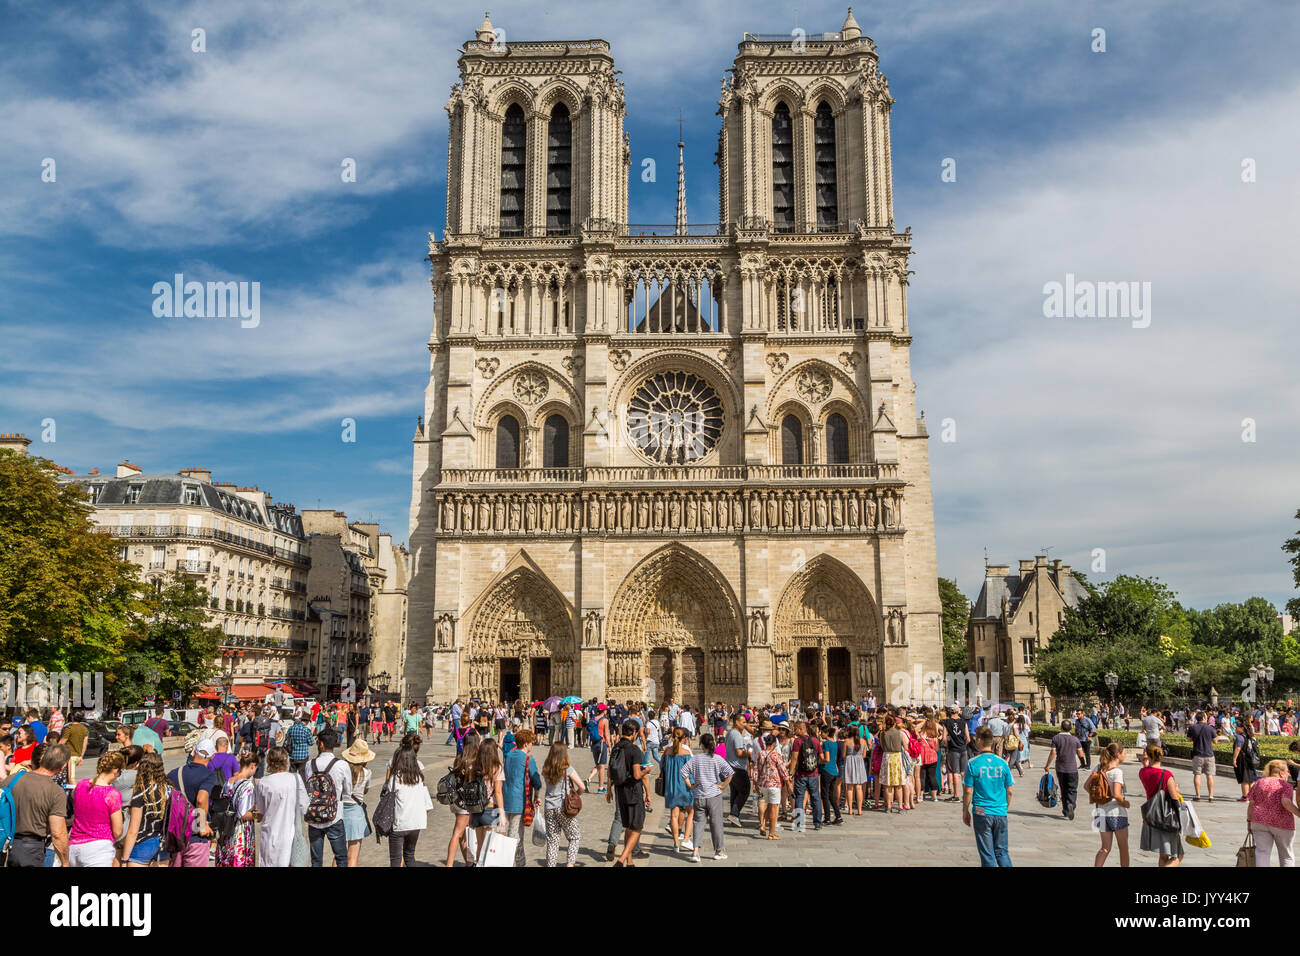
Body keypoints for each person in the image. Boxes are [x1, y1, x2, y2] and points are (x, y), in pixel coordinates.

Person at [6, 742, 70, 866]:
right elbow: (58, 834)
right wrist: (65, 862)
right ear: (62, 767)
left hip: (4, 844)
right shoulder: (55, 791)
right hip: (30, 850)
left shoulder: (12, 779)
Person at [963, 727, 1014, 867]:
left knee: (987, 854)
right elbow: (1009, 790)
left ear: (979, 740)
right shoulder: (1003, 763)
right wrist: (1004, 807)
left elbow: (968, 791)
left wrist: (965, 810)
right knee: (1002, 851)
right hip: (1000, 811)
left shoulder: (973, 763)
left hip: (981, 811)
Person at [680, 732, 733, 862]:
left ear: (702, 745)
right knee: (716, 824)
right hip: (714, 794)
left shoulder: (696, 758)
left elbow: (683, 772)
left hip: (699, 795)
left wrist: (690, 786)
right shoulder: (717, 758)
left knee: (698, 823)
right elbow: (730, 773)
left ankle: (695, 852)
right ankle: (718, 851)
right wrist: (723, 786)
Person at [302, 728, 351, 867]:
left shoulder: (309, 765)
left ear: (321, 744)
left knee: (316, 860)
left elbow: (308, 789)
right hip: (334, 816)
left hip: (313, 817)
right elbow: (348, 791)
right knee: (341, 857)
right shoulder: (342, 765)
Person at [166, 738, 218, 867]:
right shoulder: (208, 775)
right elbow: (201, 799)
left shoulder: (174, 773)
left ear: (194, 751)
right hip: (195, 836)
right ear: (212, 757)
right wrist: (202, 825)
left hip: (175, 835)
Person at [68, 750, 125, 867]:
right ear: (115, 770)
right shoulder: (112, 794)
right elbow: (118, 831)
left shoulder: (81, 785)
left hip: (74, 846)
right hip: (98, 849)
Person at [253, 747, 307, 867]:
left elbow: (260, 813)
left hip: (269, 836)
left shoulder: (262, 783)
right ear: (286, 760)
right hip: (290, 836)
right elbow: (305, 807)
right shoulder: (295, 779)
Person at [609, 719, 651, 866]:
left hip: (620, 791)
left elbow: (610, 770)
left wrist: (608, 790)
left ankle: (630, 861)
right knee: (637, 827)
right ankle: (621, 860)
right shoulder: (634, 750)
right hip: (633, 792)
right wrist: (646, 770)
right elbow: (637, 775)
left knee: (628, 826)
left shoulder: (616, 747)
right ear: (633, 733)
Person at [120, 752, 171, 867]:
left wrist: (124, 860)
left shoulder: (141, 794)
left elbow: (133, 831)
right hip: (164, 844)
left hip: (142, 845)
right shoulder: (169, 791)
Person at [502, 728, 543, 868]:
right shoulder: (528, 759)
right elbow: (537, 781)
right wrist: (537, 797)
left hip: (505, 797)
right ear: (526, 743)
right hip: (519, 800)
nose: (532, 744)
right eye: (531, 742)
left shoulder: (508, 756)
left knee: (514, 833)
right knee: (514, 834)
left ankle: (520, 862)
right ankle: (511, 862)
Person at [386, 745, 433, 866]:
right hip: (415, 824)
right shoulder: (418, 778)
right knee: (410, 856)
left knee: (396, 860)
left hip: (399, 824)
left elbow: (388, 798)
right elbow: (427, 805)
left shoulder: (395, 778)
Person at [1247, 760, 1300, 866]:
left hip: (1258, 820)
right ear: (1281, 773)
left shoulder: (1258, 782)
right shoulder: (1285, 785)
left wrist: (1249, 821)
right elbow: (1285, 802)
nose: (1289, 774)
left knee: (1262, 853)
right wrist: (1298, 813)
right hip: (1281, 823)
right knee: (1286, 854)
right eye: (1287, 772)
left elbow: (1251, 804)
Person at [1138, 745, 1184, 867]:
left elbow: (1148, 770)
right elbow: (1174, 797)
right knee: (1178, 855)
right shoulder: (1166, 774)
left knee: (1163, 855)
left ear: (1148, 756)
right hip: (1166, 819)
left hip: (1151, 817)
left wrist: (1145, 763)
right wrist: (1177, 790)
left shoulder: (1143, 772)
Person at [541, 742, 584, 867]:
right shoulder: (567, 769)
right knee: (574, 837)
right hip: (563, 807)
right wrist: (576, 796)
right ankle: (569, 864)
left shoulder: (545, 768)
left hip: (549, 807)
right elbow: (581, 786)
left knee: (552, 841)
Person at [216, 749, 259, 867]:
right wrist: (258, 815)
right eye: (256, 768)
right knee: (239, 859)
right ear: (252, 765)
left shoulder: (228, 782)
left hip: (226, 828)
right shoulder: (247, 785)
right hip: (239, 830)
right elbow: (243, 814)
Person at [1090, 742, 1131, 867]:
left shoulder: (1098, 768)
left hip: (1099, 812)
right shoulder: (1117, 772)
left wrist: (1099, 796)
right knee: (1123, 847)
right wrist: (1125, 803)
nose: (1125, 755)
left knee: (1105, 848)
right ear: (1118, 755)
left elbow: (1086, 786)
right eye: (1124, 753)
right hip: (1116, 813)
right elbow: (1117, 795)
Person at [444, 735, 480, 867]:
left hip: (457, 800)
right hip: (467, 802)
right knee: (458, 833)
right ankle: (449, 864)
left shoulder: (459, 758)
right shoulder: (475, 760)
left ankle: (468, 862)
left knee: (462, 833)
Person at [341, 739, 376, 866]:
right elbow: (365, 791)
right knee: (353, 857)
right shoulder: (367, 773)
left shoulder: (341, 770)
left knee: (339, 856)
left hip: (340, 812)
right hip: (356, 812)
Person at [470, 738, 506, 862]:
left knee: (480, 845)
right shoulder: (496, 768)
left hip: (475, 809)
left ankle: (479, 863)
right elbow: (498, 792)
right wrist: (502, 813)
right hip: (490, 808)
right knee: (491, 847)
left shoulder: (474, 767)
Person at [661, 727, 695, 852]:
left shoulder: (667, 751)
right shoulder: (686, 753)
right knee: (691, 812)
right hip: (684, 786)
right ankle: (686, 839)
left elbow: (662, 767)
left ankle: (676, 843)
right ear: (684, 738)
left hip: (671, 787)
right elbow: (691, 771)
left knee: (673, 815)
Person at [1044, 719, 1085, 820]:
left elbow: (1053, 752)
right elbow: (1080, 754)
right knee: (1072, 789)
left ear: (1061, 727)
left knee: (1063, 789)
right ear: (1071, 728)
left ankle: (1066, 809)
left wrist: (1047, 765)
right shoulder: (1075, 740)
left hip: (1060, 768)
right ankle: (1071, 804)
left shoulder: (1056, 738)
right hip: (1072, 769)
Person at [753, 731, 791, 839]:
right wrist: (788, 782)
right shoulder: (776, 755)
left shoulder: (760, 754)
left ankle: (763, 824)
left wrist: (755, 783)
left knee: (769, 805)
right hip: (774, 784)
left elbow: (755, 769)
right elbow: (783, 770)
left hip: (763, 784)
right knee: (774, 808)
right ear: (774, 743)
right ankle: (772, 833)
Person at [789, 720, 825, 828]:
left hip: (801, 774)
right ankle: (817, 823)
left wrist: (790, 773)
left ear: (801, 729)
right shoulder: (816, 741)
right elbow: (822, 758)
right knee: (815, 798)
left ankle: (799, 824)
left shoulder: (797, 741)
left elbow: (794, 758)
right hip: (814, 774)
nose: (794, 731)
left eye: (795, 729)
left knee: (799, 798)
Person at [724, 713, 753, 827]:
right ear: (737, 722)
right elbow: (739, 752)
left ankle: (734, 817)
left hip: (730, 765)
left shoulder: (730, 732)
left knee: (735, 793)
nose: (745, 725)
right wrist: (749, 753)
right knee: (745, 790)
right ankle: (734, 814)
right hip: (737, 767)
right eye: (743, 722)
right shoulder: (736, 735)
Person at [1186, 711, 1220, 802]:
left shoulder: (1192, 728)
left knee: (1197, 774)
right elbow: (1215, 741)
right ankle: (1211, 796)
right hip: (1209, 754)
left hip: (1197, 754)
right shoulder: (1210, 728)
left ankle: (1198, 796)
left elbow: (1188, 740)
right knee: (1210, 775)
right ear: (1204, 718)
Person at [941, 707, 968, 802]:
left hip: (953, 750)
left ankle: (956, 795)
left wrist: (949, 744)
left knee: (955, 772)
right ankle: (966, 795)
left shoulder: (946, 722)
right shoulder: (963, 722)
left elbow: (944, 738)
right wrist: (962, 744)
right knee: (963, 773)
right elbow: (968, 738)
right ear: (958, 711)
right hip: (963, 749)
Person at [841, 725, 869, 814]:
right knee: (859, 787)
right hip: (860, 763)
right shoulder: (863, 741)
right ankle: (860, 810)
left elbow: (843, 755)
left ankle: (850, 809)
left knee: (849, 787)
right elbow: (864, 755)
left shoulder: (847, 741)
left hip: (849, 763)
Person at [1233, 722, 1261, 801]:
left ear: (1242, 728)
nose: (1236, 728)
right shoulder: (1250, 736)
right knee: (1250, 779)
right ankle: (1252, 796)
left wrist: (1234, 759)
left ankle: (1245, 796)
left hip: (1242, 760)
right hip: (1250, 760)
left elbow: (1238, 748)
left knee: (1244, 779)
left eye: (1237, 727)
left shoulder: (1239, 737)